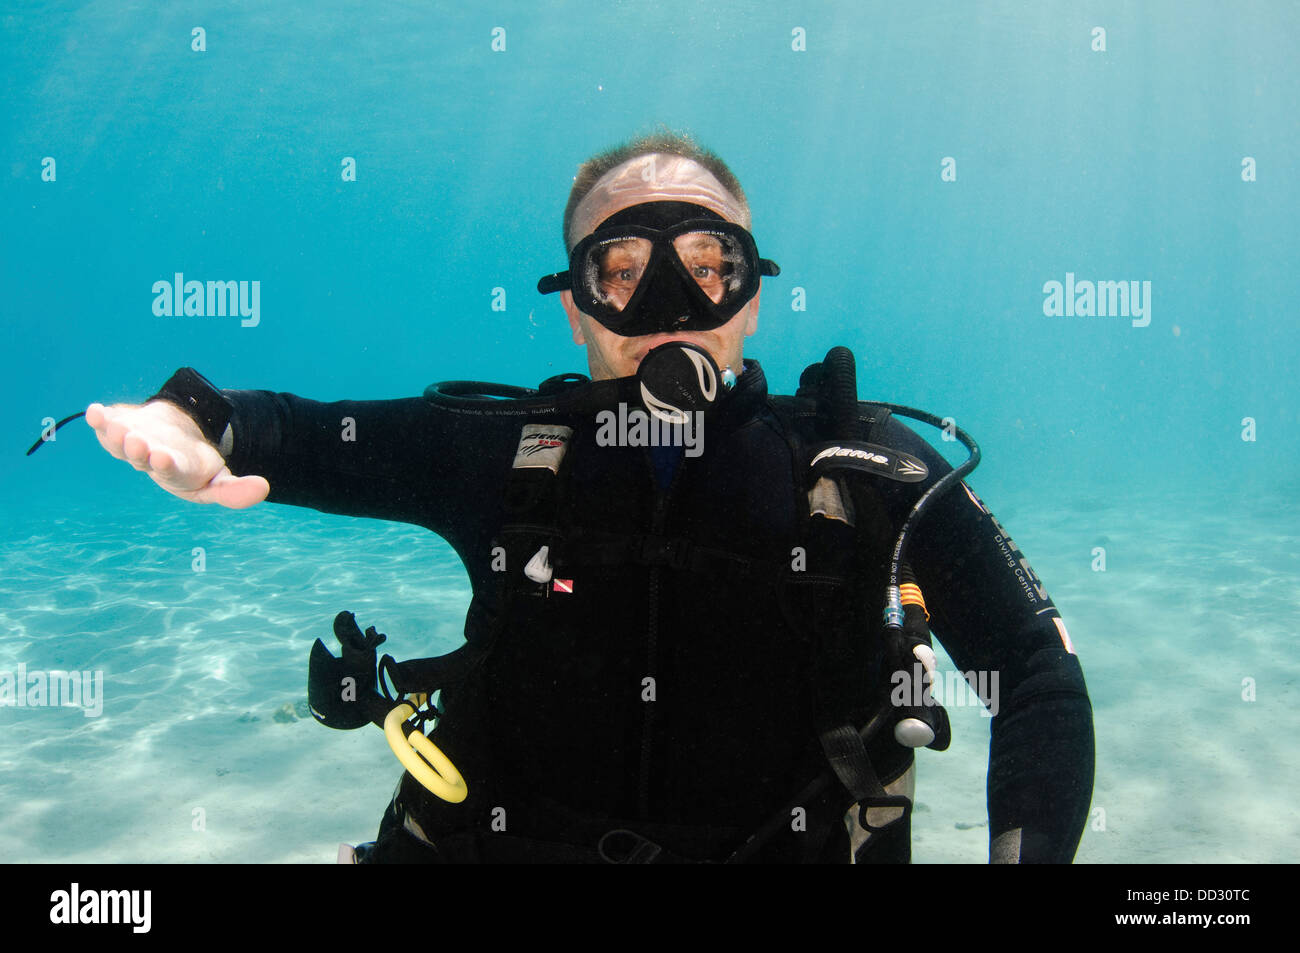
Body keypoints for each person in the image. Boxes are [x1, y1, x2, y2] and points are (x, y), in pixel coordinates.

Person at [85, 132, 1094, 863]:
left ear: (752, 292)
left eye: (708, 266)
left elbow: (1034, 672)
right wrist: (189, 421)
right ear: (576, 309)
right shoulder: (507, 455)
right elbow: (293, 430)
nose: (667, 308)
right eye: (621, 270)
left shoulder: (867, 473)